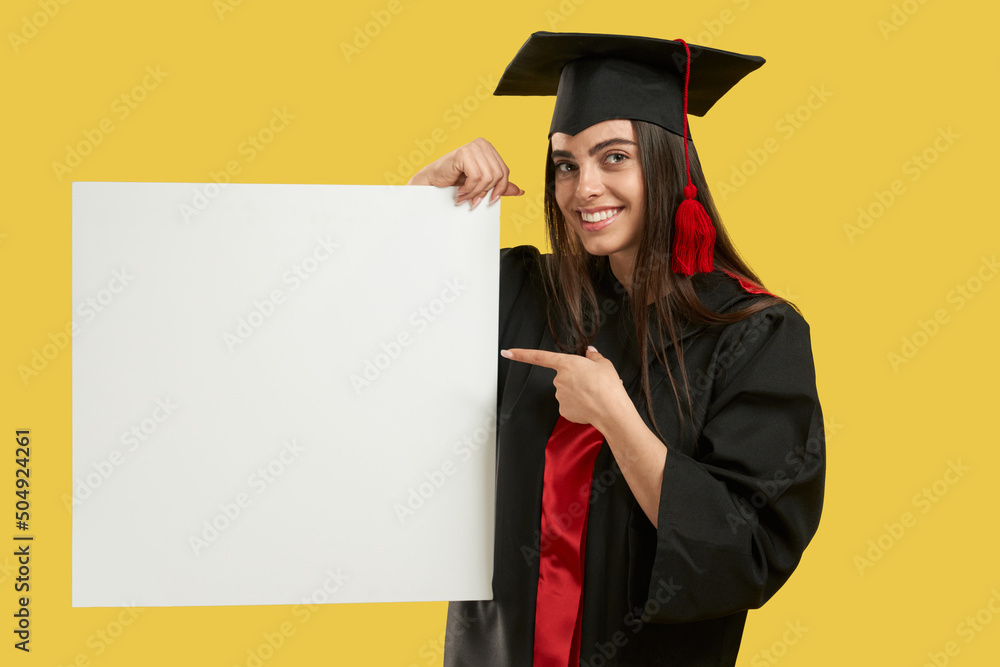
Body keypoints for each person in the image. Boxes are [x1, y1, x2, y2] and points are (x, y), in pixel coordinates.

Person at [406, 31, 825, 667]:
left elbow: (747, 552)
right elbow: (368, 351)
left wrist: (615, 416)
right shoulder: (521, 292)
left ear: (669, 162)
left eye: (613, 158)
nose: (583, 189)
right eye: (566, 164)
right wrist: (419, 210)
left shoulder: (752, 333)